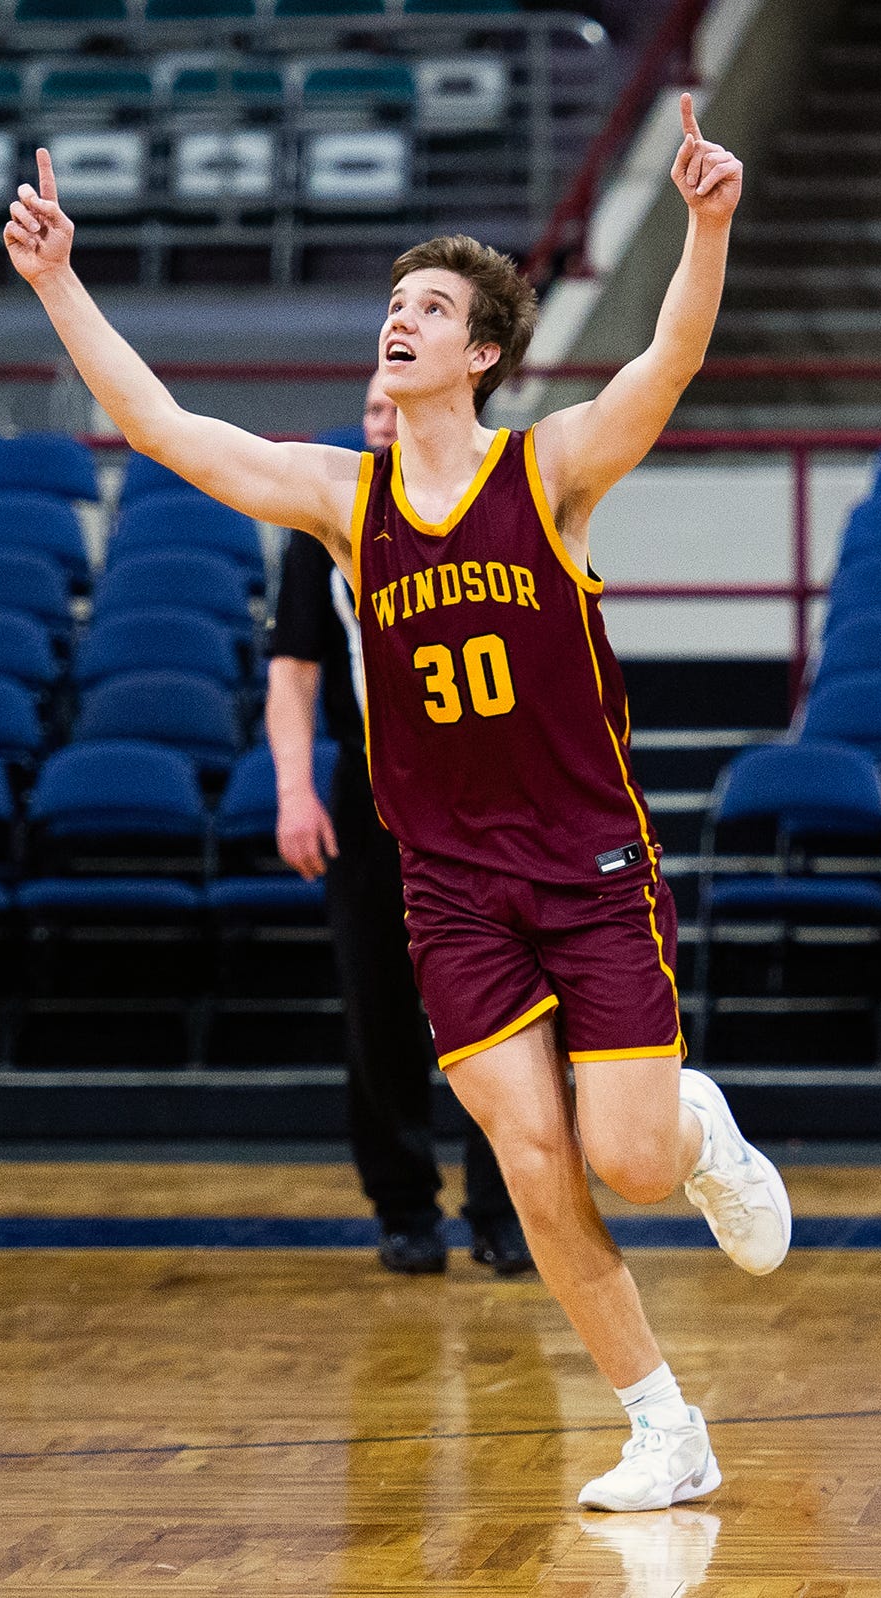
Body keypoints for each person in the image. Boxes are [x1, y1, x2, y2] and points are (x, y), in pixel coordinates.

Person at [6, 97, 790, 1513]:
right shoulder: (338, 496)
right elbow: (167, 428)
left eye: (430, 305)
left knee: (623, 1152)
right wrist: (62, 280)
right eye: (394, 301)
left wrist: (707, 224)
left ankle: (698, 1128)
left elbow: (668, 360)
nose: (401, 318)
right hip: (448, 883)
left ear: (483, 352)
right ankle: (664, 1421)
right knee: (532, 1158)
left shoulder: (546, 473)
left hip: (590, 862)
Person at [268, 370, 529, 1277]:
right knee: (378, 1006)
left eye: (392, 407)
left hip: (487, 796)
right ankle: (405, 1207)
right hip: (373, 795)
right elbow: (293, 671)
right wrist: (294, 790)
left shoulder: (501, 505)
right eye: (370, 410)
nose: (378, 422)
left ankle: (505, 1209)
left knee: (506, 1008)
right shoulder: (325, 524)